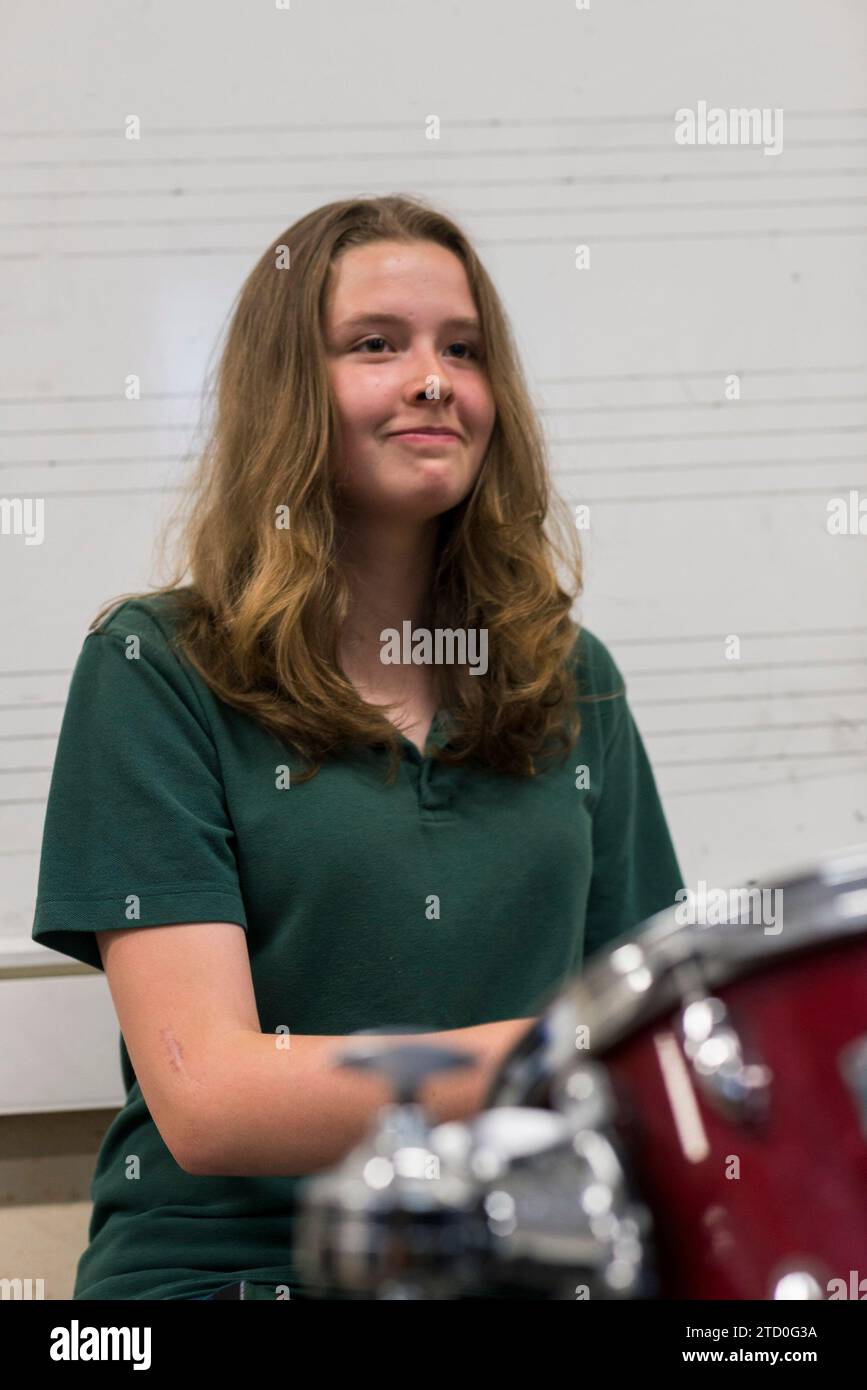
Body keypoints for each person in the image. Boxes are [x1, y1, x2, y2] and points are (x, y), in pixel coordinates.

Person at [31, 194, 684, 1301]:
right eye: (376, 345)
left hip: (516, 1270)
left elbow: (663, 1035)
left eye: (463, 349)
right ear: (290, 392)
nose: (434, 379)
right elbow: (215, 1102)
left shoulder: (573, 677)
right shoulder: (156, 665)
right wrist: (563, 1064)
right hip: (231, 1275)